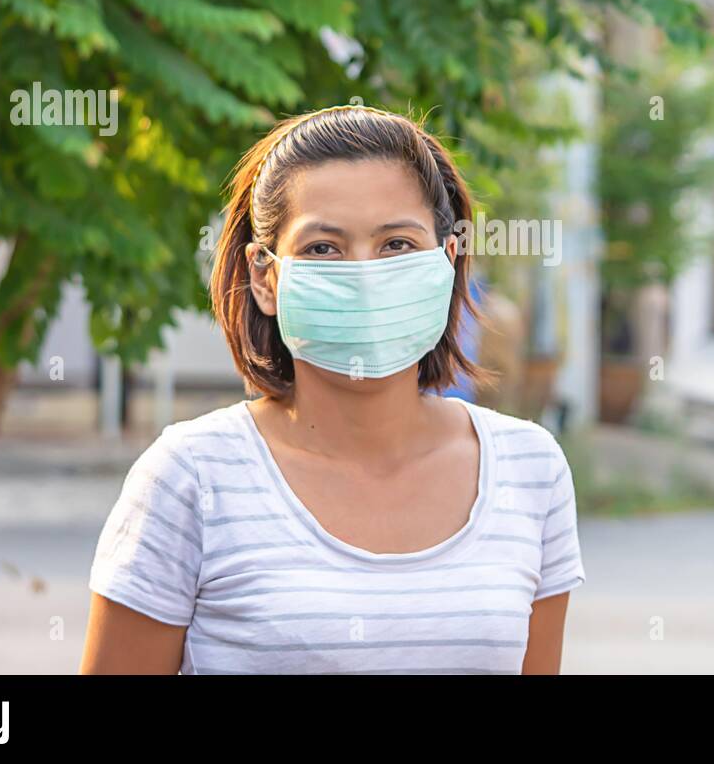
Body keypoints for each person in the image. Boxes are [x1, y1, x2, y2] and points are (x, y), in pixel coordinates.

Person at [79, 105, 585, 675]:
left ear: (446, 262)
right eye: (323, 248)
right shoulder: (191, 478)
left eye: (396, 244)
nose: (365, 274)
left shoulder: (530, 468)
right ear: (266, 278)